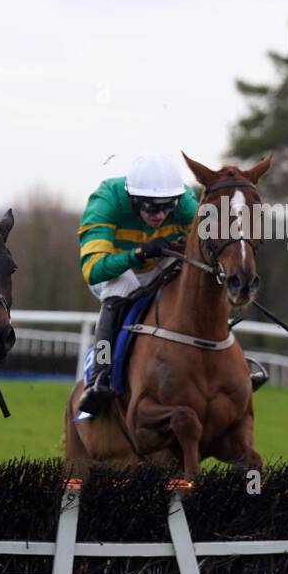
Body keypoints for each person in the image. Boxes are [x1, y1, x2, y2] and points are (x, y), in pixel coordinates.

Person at [75, 154, 197, 413]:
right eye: (151, 208)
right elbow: (94, 270)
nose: (160, 214)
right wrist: (139, 254)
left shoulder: (186, 203)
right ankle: (100, 376)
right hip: (116, 270)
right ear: (133, 200)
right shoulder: (106, 199)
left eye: (167, 207)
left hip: (162, 261)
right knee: (120, 288)